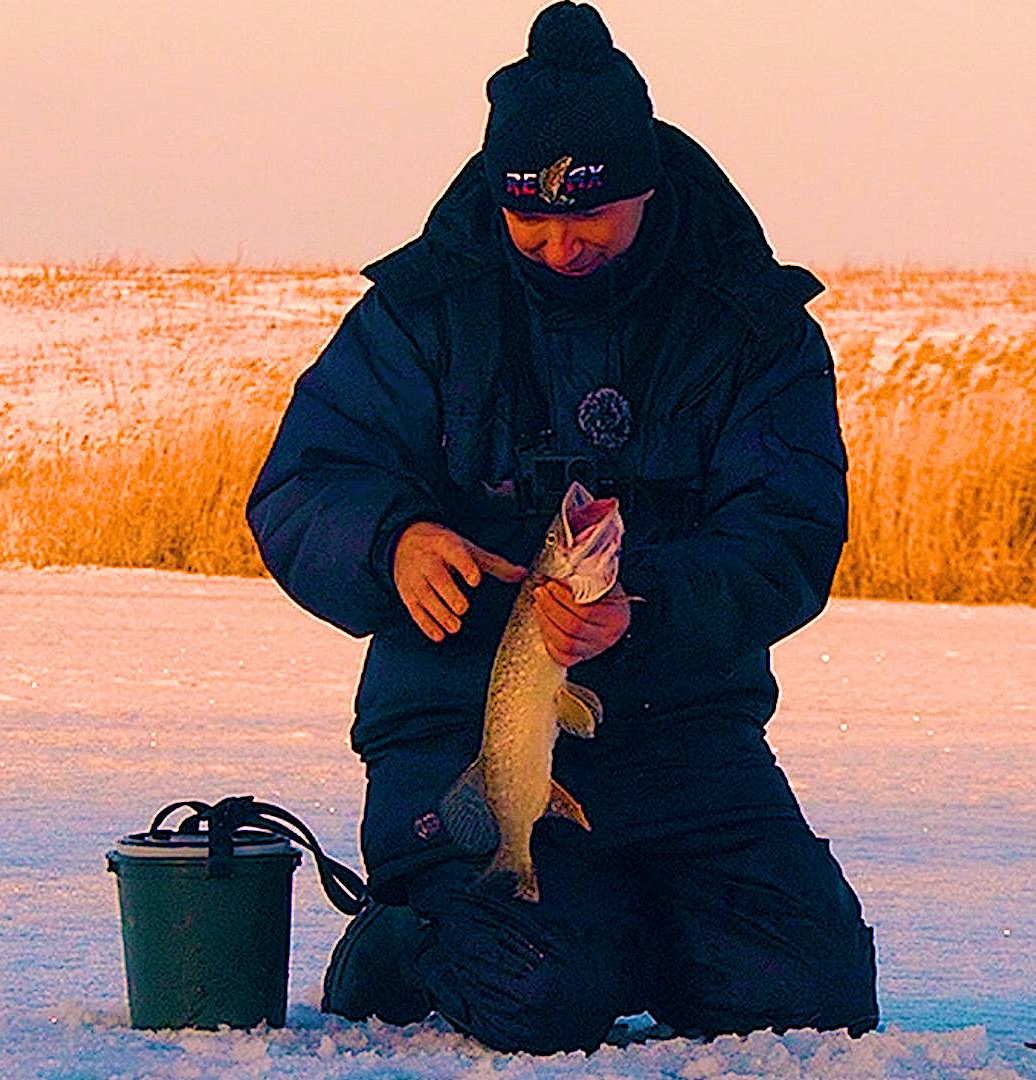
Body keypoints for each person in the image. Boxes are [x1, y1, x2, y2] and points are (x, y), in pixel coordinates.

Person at [244, 1, 878, 1054]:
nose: (557, 242)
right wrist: (389, 541)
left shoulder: (747, 324)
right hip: (461, 735)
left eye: (588, 215)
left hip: (688, 742)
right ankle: (406, 940)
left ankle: (636, 926)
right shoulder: (423, 310)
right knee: (534, 992)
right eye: (528, 220)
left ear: (646, 185)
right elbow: (303, 484)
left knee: (809, 999)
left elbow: (791, 533)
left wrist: (648, 609)